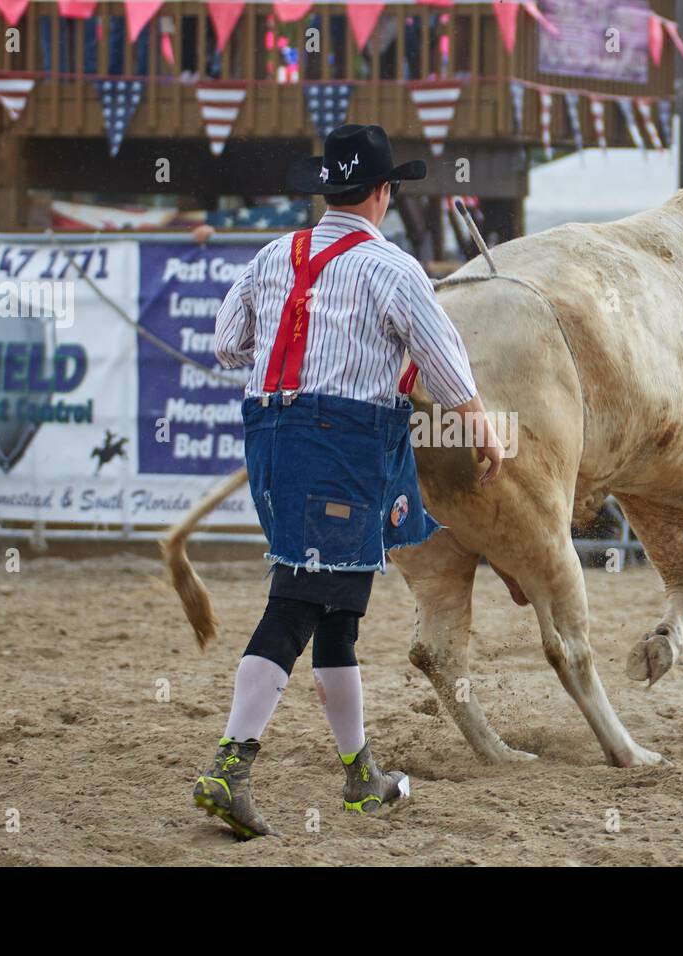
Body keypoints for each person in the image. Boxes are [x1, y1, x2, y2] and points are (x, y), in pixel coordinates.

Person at [194, 124, 505, 838]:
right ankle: (230, 765)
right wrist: (481, 424)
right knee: (301, 601)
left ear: (327, 190)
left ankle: (361, 775)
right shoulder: (391, 268)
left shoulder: (276, 256)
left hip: (273, 438)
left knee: (337, 608)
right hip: (343, 443)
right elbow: (439, 351)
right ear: (382, 192)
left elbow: (225, 344)